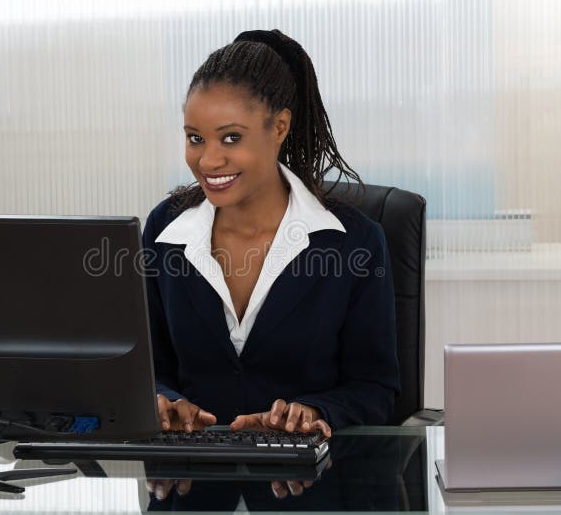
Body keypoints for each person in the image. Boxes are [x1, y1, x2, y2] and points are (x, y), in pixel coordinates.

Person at [142, 29, 399, 439]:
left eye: (231, 138)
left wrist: (314, 411)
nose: (208, 160)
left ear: (279, 127)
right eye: (195, 138)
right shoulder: (164, 230)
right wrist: (165, 400)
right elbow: (148, 367)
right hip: (192, 473)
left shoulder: (355, 242)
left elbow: (375, 389)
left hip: (308, 476)